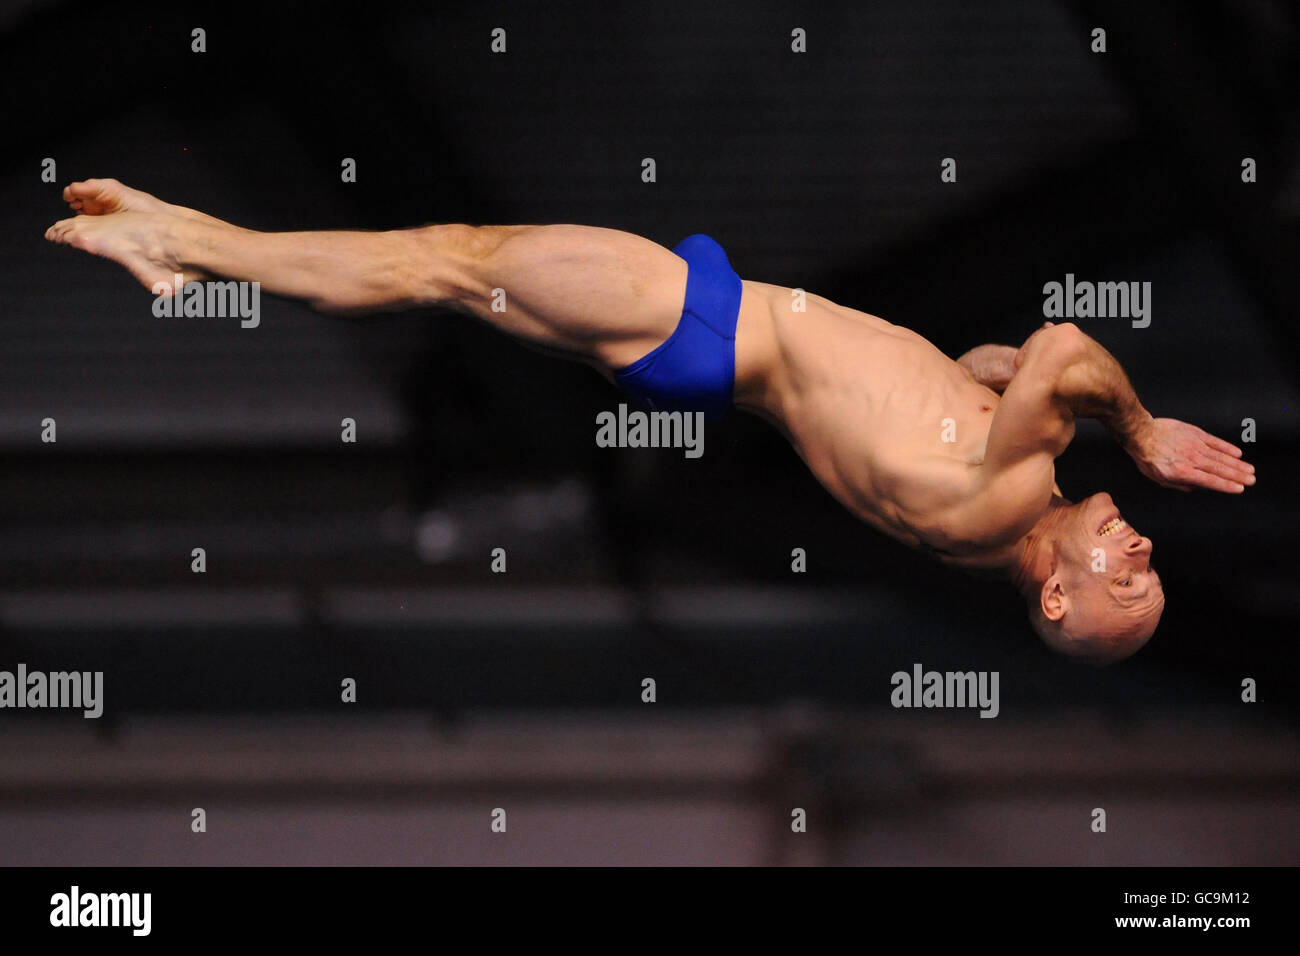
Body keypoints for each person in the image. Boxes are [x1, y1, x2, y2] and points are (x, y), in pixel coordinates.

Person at [46, 179, 1256, 663]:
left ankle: (182, 247)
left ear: (1054, 594)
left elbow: (1058, 347)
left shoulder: (1007, 488)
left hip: (707, 328)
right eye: (1145, 567)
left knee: (448, 263)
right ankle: (185, 243)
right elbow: (955, 384)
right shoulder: (999, 491)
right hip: (719, 336)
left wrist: (1139, 426)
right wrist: (967, 376)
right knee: (450, 262)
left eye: (1124, 580)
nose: (1142, 549)